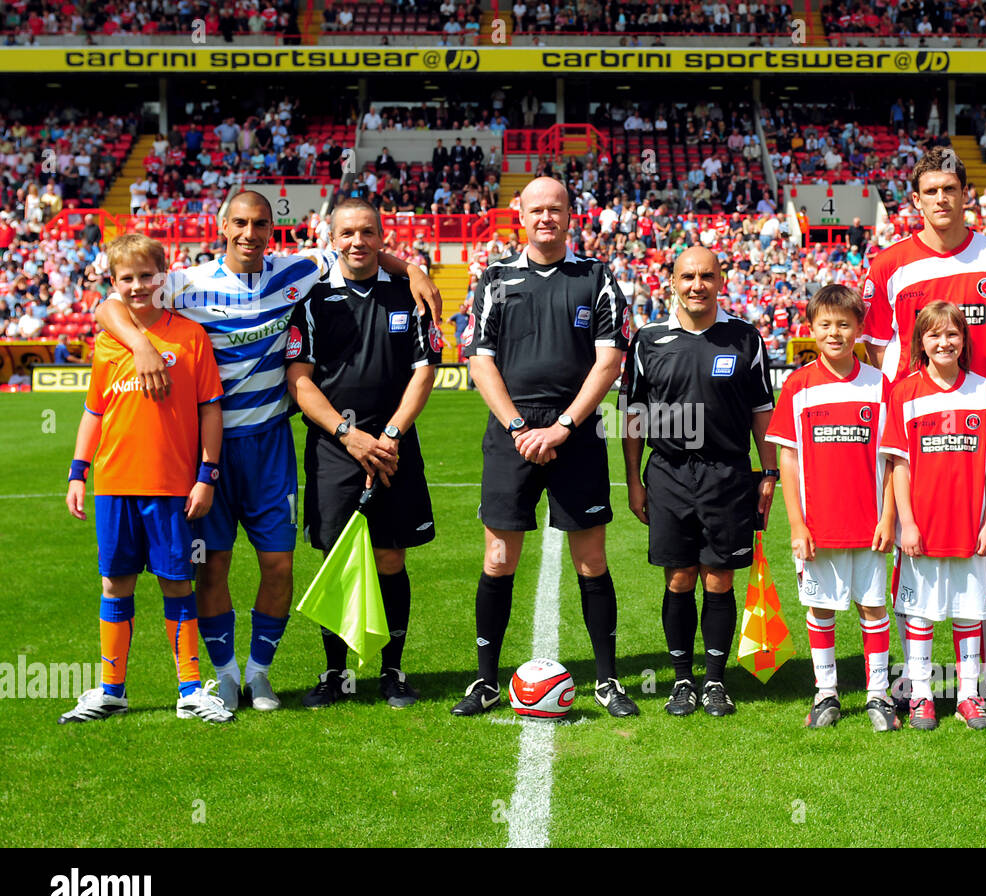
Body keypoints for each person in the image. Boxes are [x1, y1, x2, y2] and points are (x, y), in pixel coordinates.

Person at [93, 191, 440, 714]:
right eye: (239, 223)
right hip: (206, 450)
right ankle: (225, 676)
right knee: (212, 566)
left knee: (278, 565)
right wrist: (141, 344)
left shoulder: (299, 271)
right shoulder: (185, 284)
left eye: (259, 223)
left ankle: (260, 675)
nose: (249, 233)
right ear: (221, 225)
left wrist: (410, 268)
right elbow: (111, 303)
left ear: (271, 228)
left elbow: (357, 248)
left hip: (270, 442)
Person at [456, 176, 636, 718]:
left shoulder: (597, 277)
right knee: (497, 559)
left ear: (569, 215)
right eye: (536, 209)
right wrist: (516, 427)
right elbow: (479, 358)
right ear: (521, 216)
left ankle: (606, 680)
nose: (546, 218)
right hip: (511, 433)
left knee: (591, 560)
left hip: (575, 432)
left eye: (555, 209)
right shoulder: (494, 279)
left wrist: (561, 427)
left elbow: (609, 361)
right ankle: (486, 681)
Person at [862, 146, 986, 710]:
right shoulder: (888, 265)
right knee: (913, 550)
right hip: (916, 434)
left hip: (979, 434)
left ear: (966, 195)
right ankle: (916, 678)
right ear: (915, 200)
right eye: (930, 191)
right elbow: (880, 351)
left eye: (949, 189)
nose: (940, 199)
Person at [60, 234, 233, 725]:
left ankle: (191, 690)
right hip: (113, 484)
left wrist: (206, 475)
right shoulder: (107, 341)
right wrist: (79, 472)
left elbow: (210, 410)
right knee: (115, 583)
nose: (138, 286)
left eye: (146, 276)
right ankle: (111, 690)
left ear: (165, 276)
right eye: (127, 279)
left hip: (171, 486)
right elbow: (94, 411)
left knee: (178, 584)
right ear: (114, 284)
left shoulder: (189, 337)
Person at [284, 199, 438, 709]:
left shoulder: (409, 295)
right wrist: (347, 433)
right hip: (335, 447)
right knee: (338, 561)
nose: (357, 242)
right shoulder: (310, 299)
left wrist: (391, 432)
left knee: (391, 556)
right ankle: (334, 674)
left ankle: (392, 672)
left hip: (395, 445)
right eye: (347, 232)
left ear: (381, 236)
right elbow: (300, 382)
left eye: (367, 232)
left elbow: (424, 371)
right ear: (332, 238)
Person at [620, 246, 778, 718]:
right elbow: (633, 416)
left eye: (706, 276)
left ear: (721, 280)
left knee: (719, 578)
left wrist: (767, 474)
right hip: (667, 473)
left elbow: (762, 413)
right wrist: (633, 479)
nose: (696, 285)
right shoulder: (648, 340)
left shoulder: (745, 337)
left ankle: (714, 682)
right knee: (679, 578)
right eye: (687, 276)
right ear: (672, 280)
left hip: (728, 475)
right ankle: (681, 681)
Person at [765, 285, 897, 730]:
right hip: (818, 528)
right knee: (821, 609)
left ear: (859, 328)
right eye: (826, 324)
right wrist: (797, 524)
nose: (835, 332)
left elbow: (895, 458)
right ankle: (826, 694)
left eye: (844, 324)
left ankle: (879, 695)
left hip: (871, 524)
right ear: (811, 330)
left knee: (873, 607)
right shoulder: (799, 386)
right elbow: (789, 458)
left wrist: (889, 517)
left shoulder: (880, 385)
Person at [880, 301, 986, 731]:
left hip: (970, 526)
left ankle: (969, 695)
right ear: (921, 343)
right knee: (921, 614)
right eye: (934, 335)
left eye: (952, 334)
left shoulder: (984, 390)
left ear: (964, 340)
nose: (944, 342)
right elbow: (899, 465)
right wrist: (906, 523)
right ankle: (922, 696)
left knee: (969, 613)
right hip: (923, 527)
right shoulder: (905, 392)